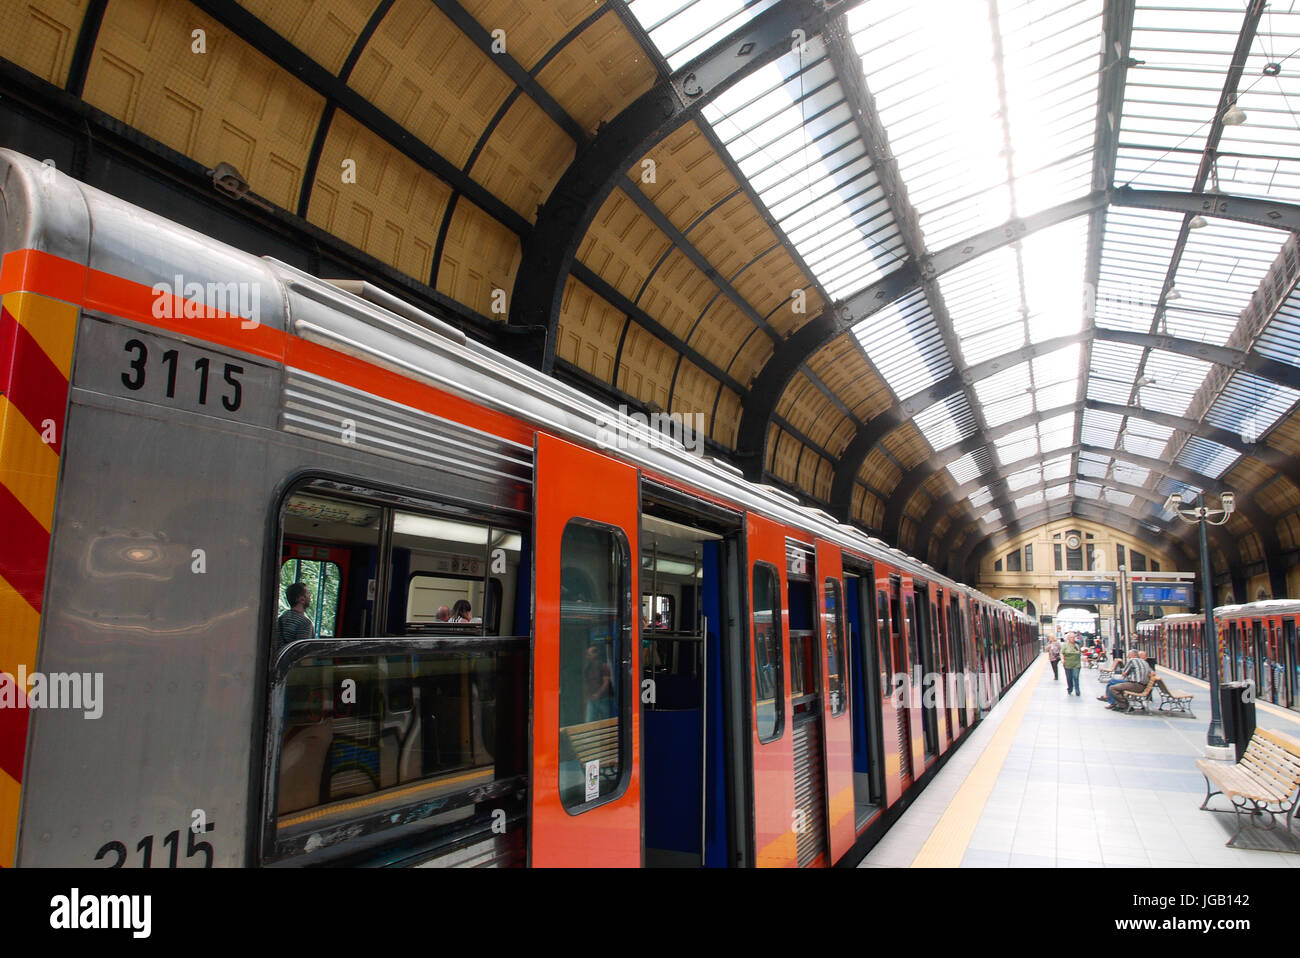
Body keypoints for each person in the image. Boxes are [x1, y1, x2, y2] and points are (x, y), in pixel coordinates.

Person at [584, 642, 614, 721]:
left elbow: (606, 682)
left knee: (605, 721)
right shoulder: (588, 667)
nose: (588, 656)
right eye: (588, 654)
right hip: (592, 698)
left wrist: (598, 693)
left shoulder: (603, 666)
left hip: (602, 698)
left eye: (590, 654)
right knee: (589, 722)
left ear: (596, 654)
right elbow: (587, 682)